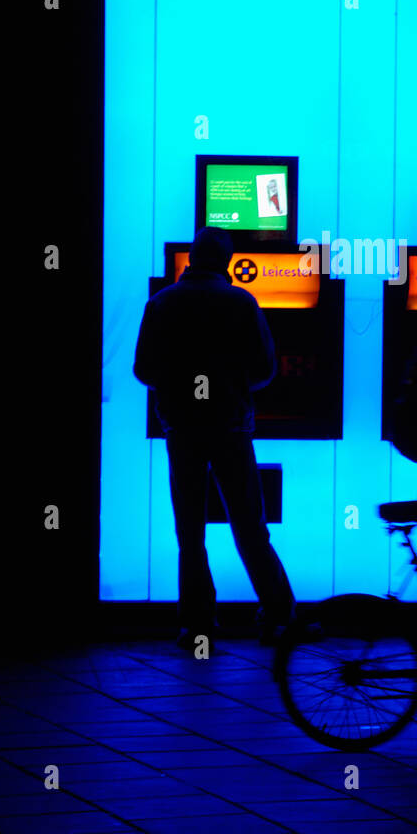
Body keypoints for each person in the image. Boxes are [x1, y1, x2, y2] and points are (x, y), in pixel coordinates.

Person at [133, 227, 295, 648]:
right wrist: (232, 387)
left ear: (190, 258)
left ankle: (197, 625)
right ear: (226, 261)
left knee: (190, 532)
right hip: (231, 427)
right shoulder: (241, 302)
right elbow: (265, 369)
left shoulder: (162, 302)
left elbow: (144, 370)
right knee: (249, 527)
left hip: (181, 429)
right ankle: (279, 615)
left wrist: (176, 390)